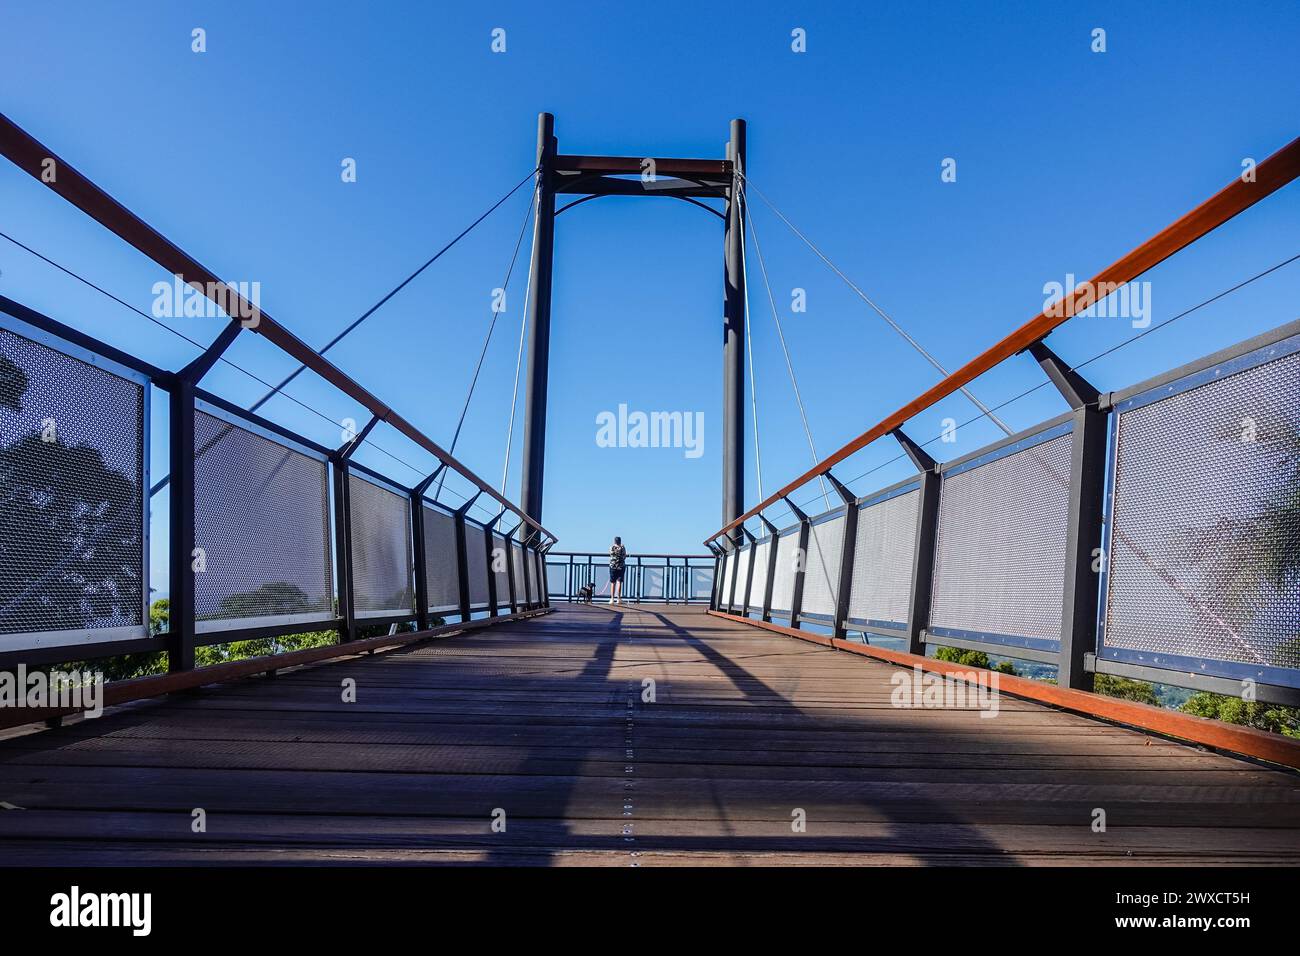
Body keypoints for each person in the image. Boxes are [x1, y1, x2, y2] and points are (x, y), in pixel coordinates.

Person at [608, 536, 627, 605]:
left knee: (613, 582)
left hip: (613, 566)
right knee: (619, 582)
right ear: (620, 541)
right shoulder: (622, 547)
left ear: (614, 541)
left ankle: (612, 599)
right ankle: (618, 598)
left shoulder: (611, 547)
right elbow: (624, 556)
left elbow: (610, 555)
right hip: (621, 566)